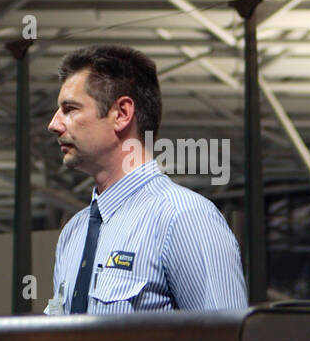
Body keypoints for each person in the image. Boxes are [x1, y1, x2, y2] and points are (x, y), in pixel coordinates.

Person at [45, 43, 248, 314]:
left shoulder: (185, 218)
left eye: (70, 109)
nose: (54, 124)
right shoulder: (73, 233)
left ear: (122, 114)